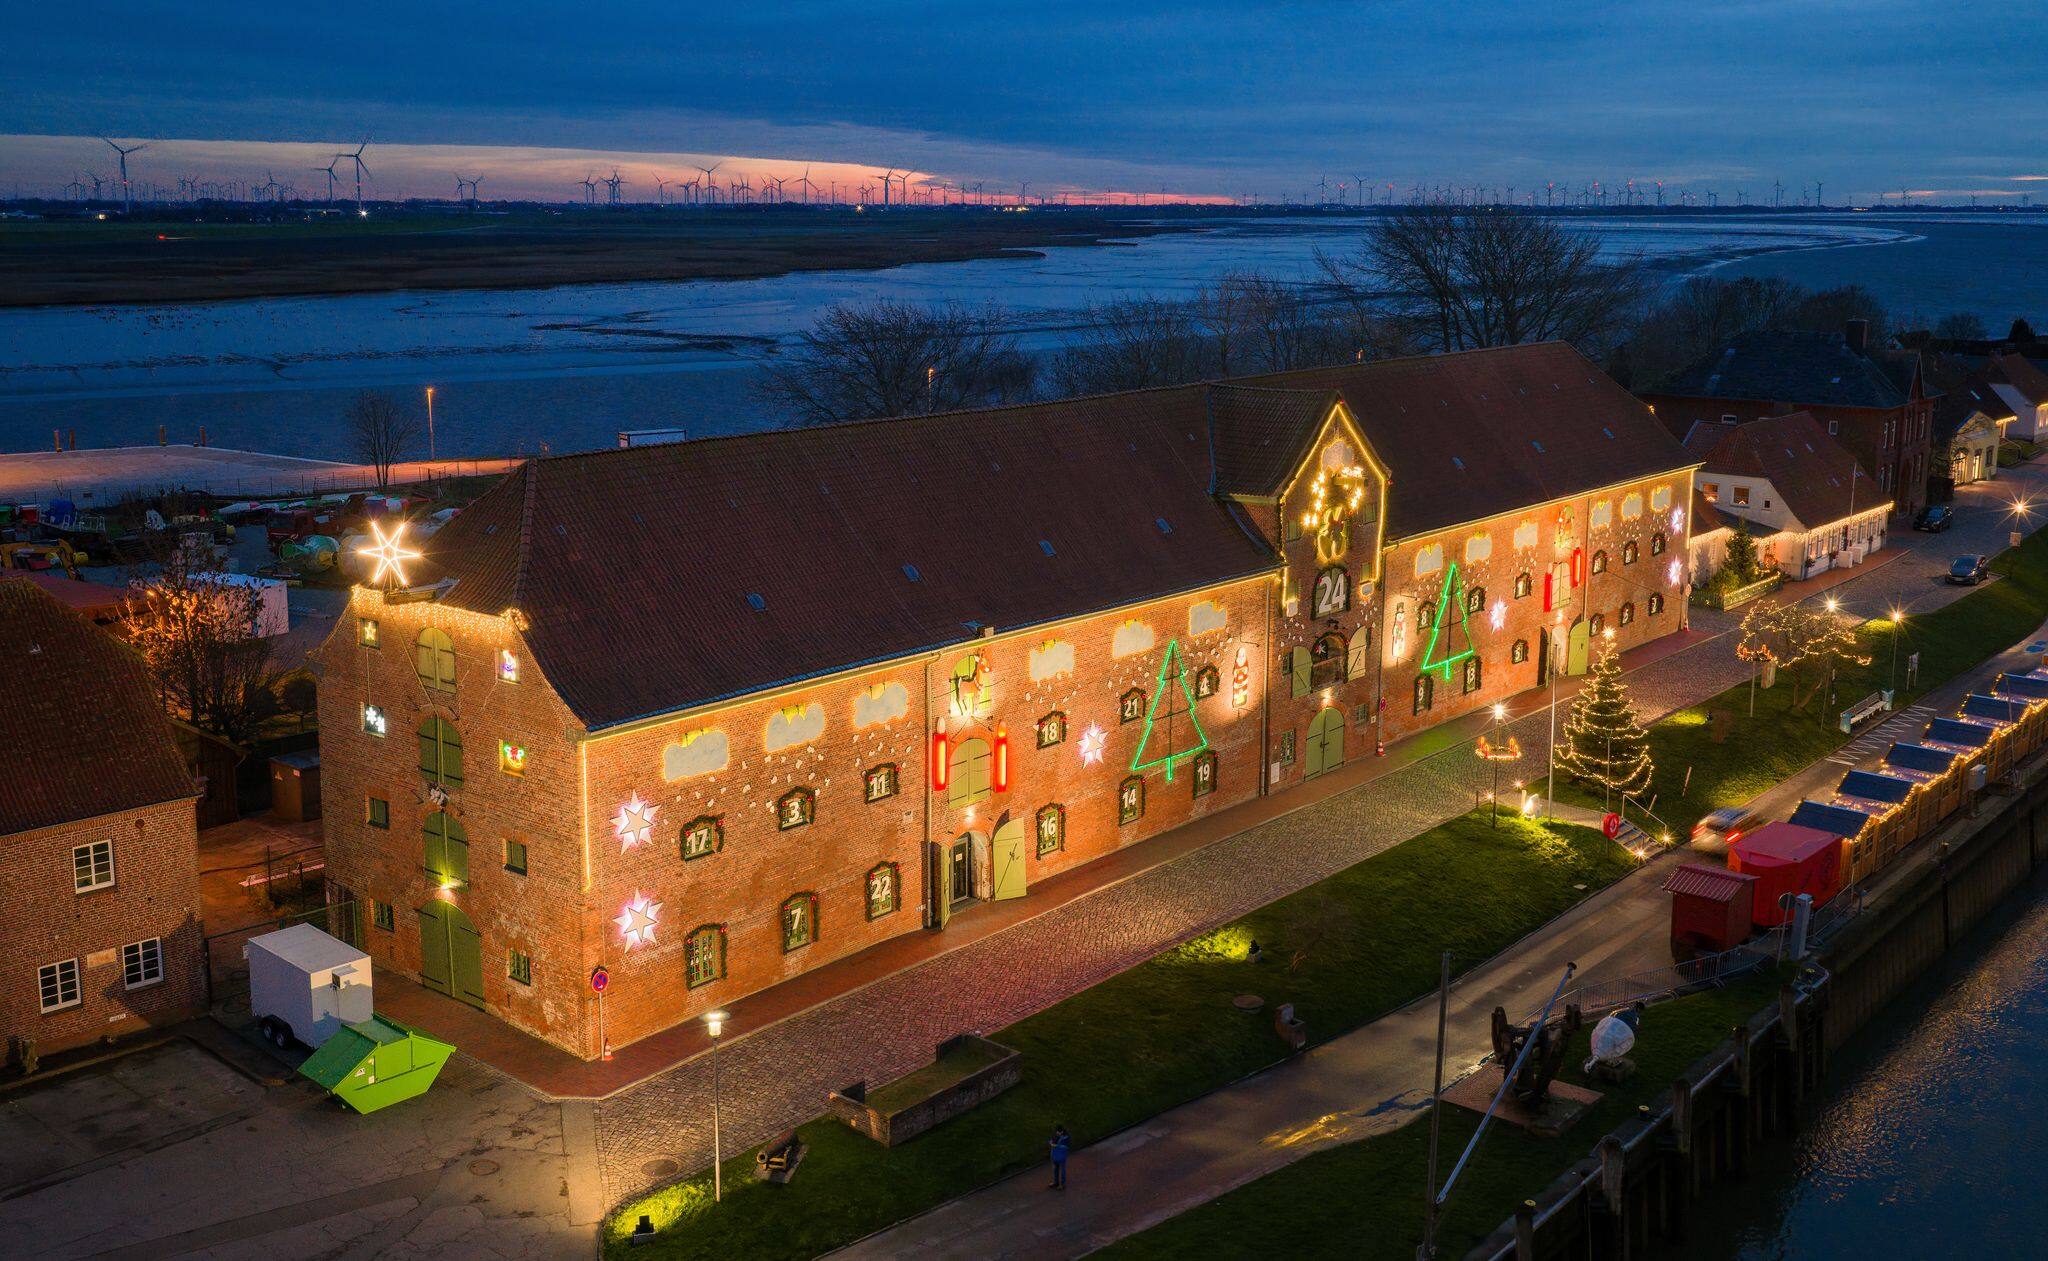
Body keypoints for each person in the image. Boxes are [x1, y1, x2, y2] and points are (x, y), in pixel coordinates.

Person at [1048, 1124, 1070, 1190]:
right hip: (1055, 1155)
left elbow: (1066, 1147)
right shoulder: (1056, 1136)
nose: (1057, 1133)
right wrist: (1051, 1142)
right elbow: (1052, 1141)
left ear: (1062, 1131)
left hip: (1061, 1155)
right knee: (1055, 1169)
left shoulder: (1066, 1138)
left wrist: (1056, 1145)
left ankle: (1062, 1184)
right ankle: (1056, 1182)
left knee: (1062, 1170)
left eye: (1058, 1132)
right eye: (1056, 1132)